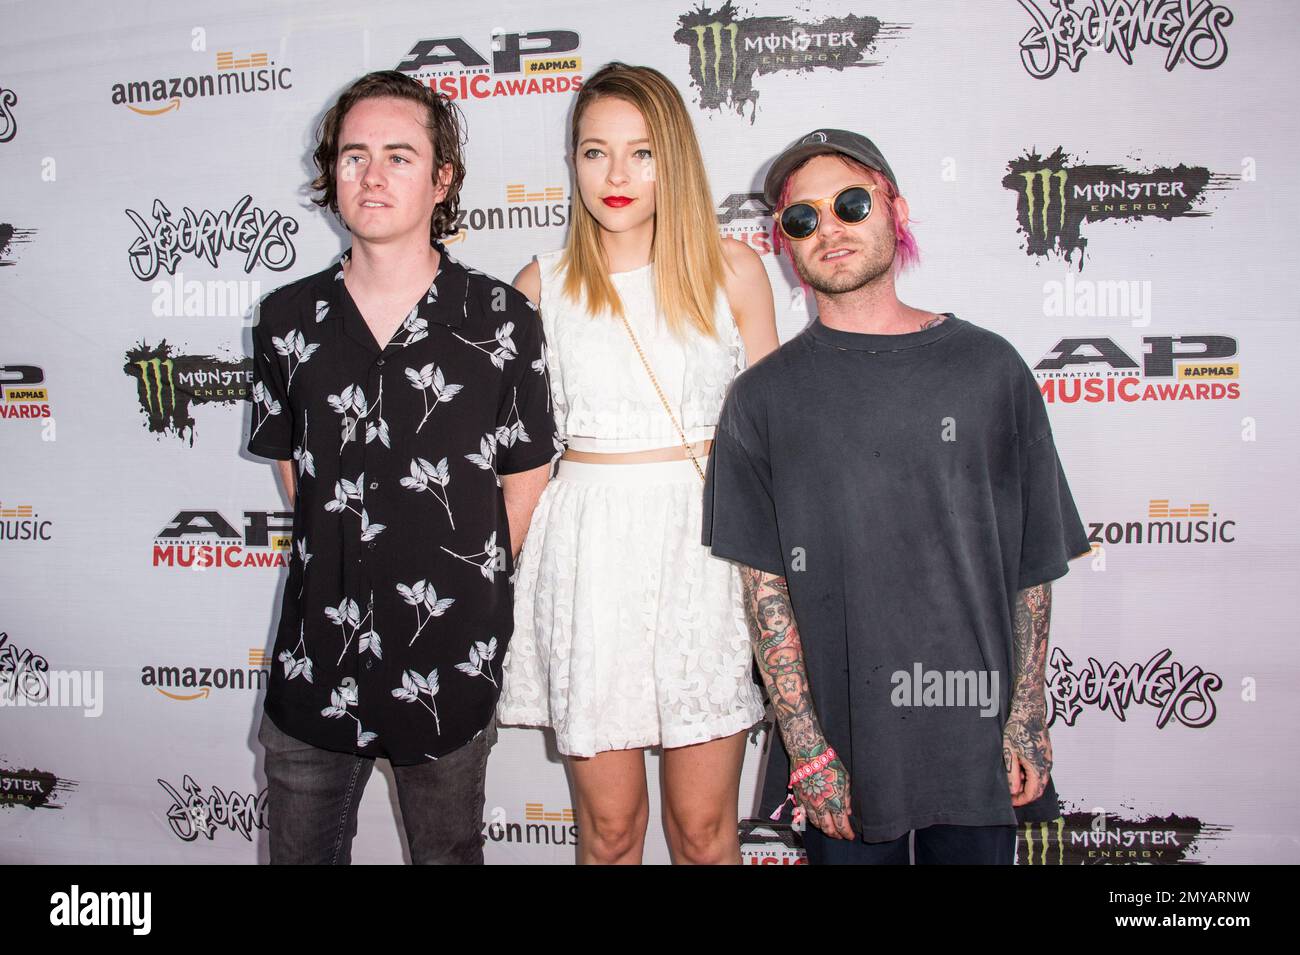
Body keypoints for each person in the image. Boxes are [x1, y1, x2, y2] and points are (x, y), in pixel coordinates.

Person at [702, 128, 1091, 865]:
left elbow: (1033, 562)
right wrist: (807, 750)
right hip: (843, 756)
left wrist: (1025, 721)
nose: (831, 229)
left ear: (896, 208)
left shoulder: (991, 368)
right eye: (803, 217)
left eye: (851, 202)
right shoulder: (761, 400)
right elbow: (765, 593)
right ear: (785, 243)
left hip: (977, 739)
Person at [246, 70, 558, 864]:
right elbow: (298, 474)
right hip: (315, 659)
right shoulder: (287, 320)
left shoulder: (502, 318)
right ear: (332, 173)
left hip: (449, 660)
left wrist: (455, 577)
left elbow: (525, 478)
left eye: (398, 155)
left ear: (441, 177)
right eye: (354, 157)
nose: (372, 176)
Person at [496, 62, 780, 864]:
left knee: (703, 832)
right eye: (595, 152)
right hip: (587, 561)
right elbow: (511, 457)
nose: (616, 175)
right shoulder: (538, 286)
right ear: (573, 162)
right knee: (611, 832)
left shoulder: (733, 271)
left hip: (702, 559)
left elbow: (774, 444)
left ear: (675, 159)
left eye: (642, 152)